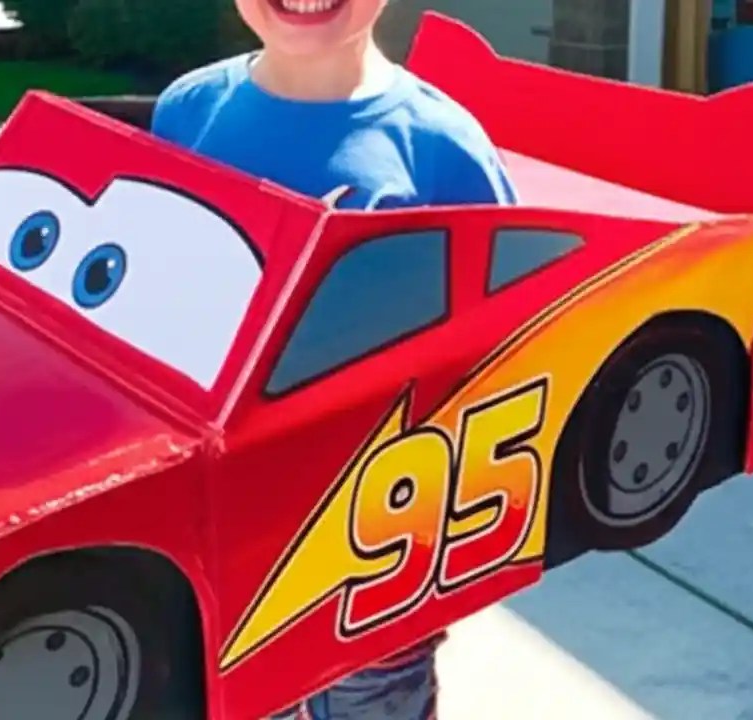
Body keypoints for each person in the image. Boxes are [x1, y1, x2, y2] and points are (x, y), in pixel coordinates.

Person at [149, 0, 517, 718]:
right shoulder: (187, 111)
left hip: (377, 551)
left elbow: (506, 349)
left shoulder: (442, 146)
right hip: (223, 544)